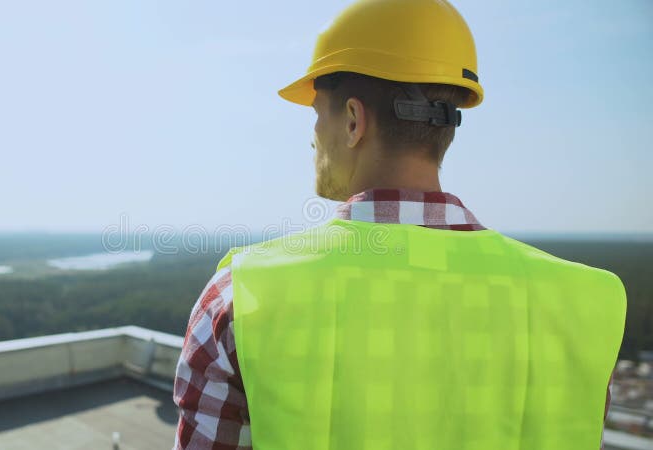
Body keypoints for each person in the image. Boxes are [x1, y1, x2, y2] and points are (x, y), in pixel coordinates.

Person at [172, 0, 626, 449]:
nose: (312, 136)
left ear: (352, 121)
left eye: (316, 113)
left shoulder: (241, 299)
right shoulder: (585, 305)